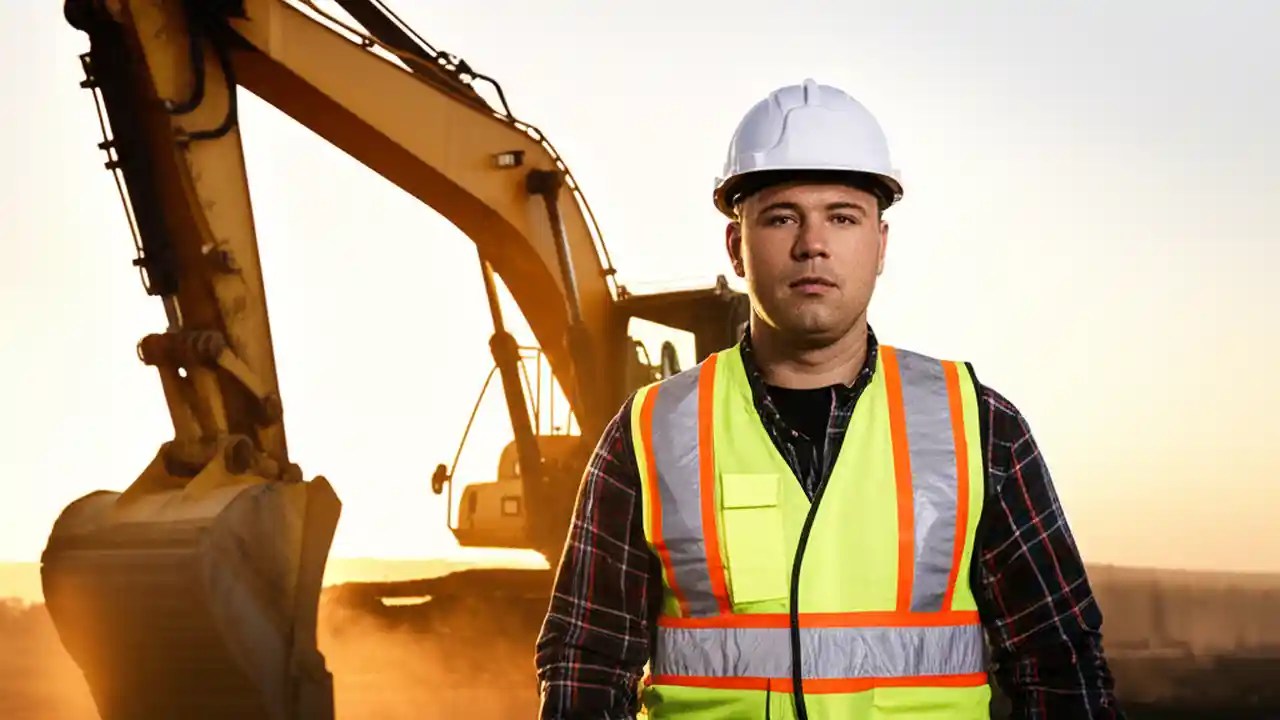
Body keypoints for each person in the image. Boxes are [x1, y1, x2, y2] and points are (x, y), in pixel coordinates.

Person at [535, 78, 1124, 719]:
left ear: (880, 247)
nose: (812, 243)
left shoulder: (978, 427)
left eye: (842, 217)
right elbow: (584, 662)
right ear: (737, 248)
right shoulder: (651, 433)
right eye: (782, 216)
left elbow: (1060, 662)